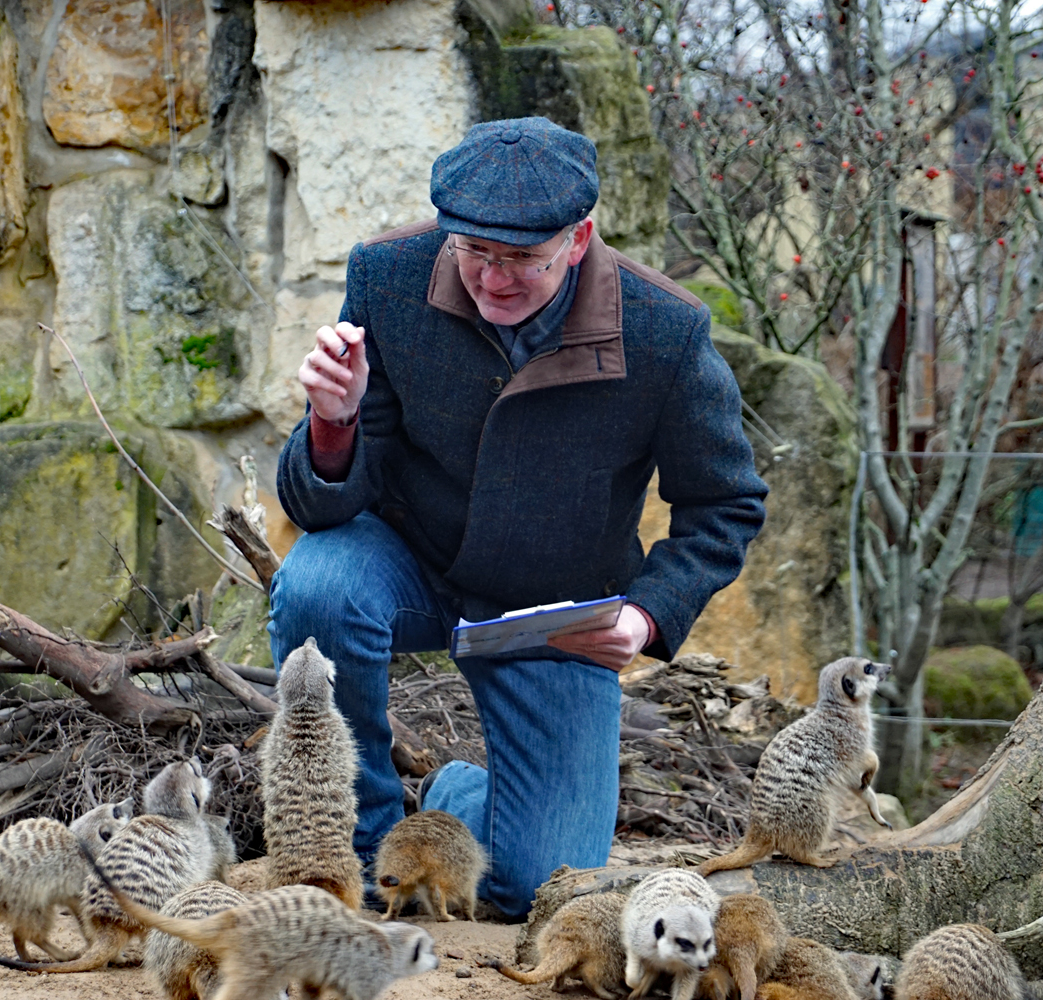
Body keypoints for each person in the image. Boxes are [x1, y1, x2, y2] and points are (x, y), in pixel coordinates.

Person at [269, 116, 767, 919]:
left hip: (555, 612)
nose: (492, 282)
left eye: (522, 262)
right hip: (409, 560)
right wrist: (334, 422)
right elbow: (324, 506)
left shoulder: (666, 331)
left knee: (535, 884)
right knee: (317, 585)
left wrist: (644, 615)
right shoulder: (387, 276)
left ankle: (452, 800)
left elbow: (724, 504)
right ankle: (363, 845)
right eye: (474, 254)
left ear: (578, 240)